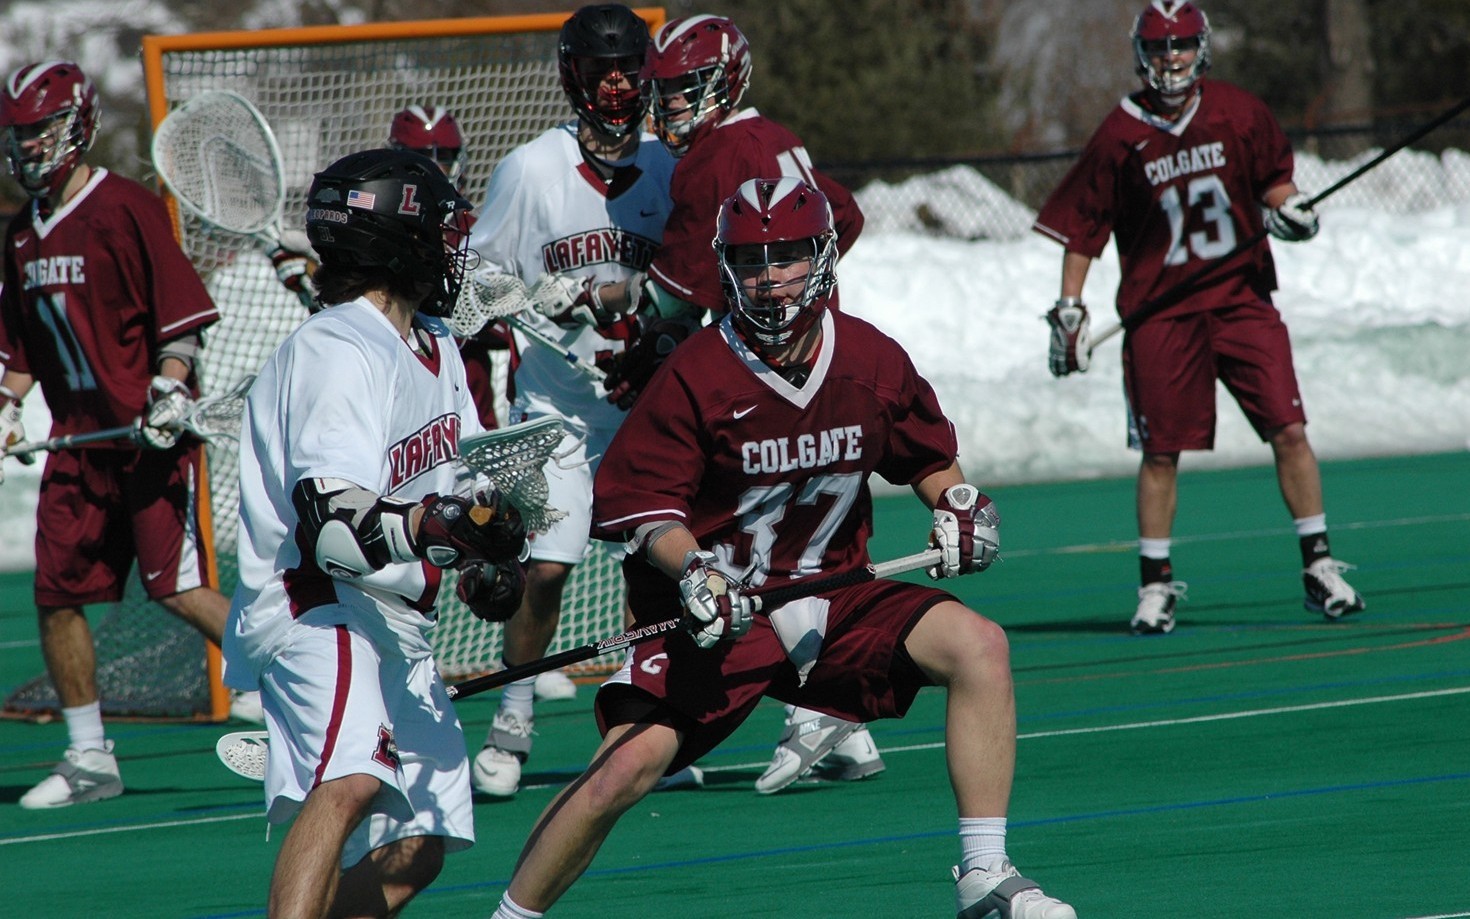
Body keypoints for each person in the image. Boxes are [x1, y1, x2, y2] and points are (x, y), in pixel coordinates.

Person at [488, 177, 1077, 919]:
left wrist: (958, 504)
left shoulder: (867, 356)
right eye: (753, 261)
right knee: (623, 770)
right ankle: (511, 914)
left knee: (980, 645)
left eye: (788, 257)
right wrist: (695, 567)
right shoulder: (698, 373)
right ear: (726, 268)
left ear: (823, 257)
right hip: (719, 612)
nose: (771, 278)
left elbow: (925, 454)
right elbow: (643, 506)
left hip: (836, 594)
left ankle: (984, 873)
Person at [221, 147, 530, 917]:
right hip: (315, 603)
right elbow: (329, 526)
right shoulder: (335, 349)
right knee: (352, 778)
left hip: (393, 618)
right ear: (397, 240)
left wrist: (480, 556)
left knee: (420, 845)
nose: (453, 246)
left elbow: (440, 488)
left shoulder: (436, 345)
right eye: (438, 229)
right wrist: (433, 525)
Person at [586, 12, 881, 795]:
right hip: (813, 354)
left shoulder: (717, 158)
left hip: (771, 377)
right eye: (666, 91)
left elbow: (681, 297)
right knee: (798, 536)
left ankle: (677, 704)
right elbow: (841, 214)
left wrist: (651, 343)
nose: (673, 106)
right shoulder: (772, 136)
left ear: (728, 80)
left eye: (687, 88)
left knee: (714, 531)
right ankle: (833, 713)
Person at [1033, 0, 1365, 636]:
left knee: (1290, 428)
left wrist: (1291, 209)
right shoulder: (1119, 133)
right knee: (1160, 451)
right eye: (1160, 48)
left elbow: (1275, 182)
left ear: (1201, 47)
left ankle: (1319, 566)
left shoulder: (1238, 112)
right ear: (1142, 55)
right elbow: (1083, 230)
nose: (1171, 58)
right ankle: (1155, 585)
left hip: (1241, 300)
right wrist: (1071, 307)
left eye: (1181, 45)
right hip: (1163, 314)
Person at [0, 61, 261, 810]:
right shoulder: (21, 235)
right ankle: (89, 757)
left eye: (41, 129)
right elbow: (18, 352)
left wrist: (171, 386)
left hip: (148, 438)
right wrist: (6, 408)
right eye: (19, 134)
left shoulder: (127, 207)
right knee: (56, 595)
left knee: (179, 589)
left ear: (77, 123)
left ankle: (304, 700)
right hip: (80, 444)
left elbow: (180, 322)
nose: (29, 146)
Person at [464, 3, 686, 798]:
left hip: (651, 407)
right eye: (604, 70)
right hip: (556, 410)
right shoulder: (530, 170)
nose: (619, 83)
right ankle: (513, 718)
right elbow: (468, 287)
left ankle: (651, 720)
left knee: (655, 570)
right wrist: (536, 296)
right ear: (575, 77)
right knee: (548, 568)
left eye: (630, 67)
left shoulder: (670, 167)